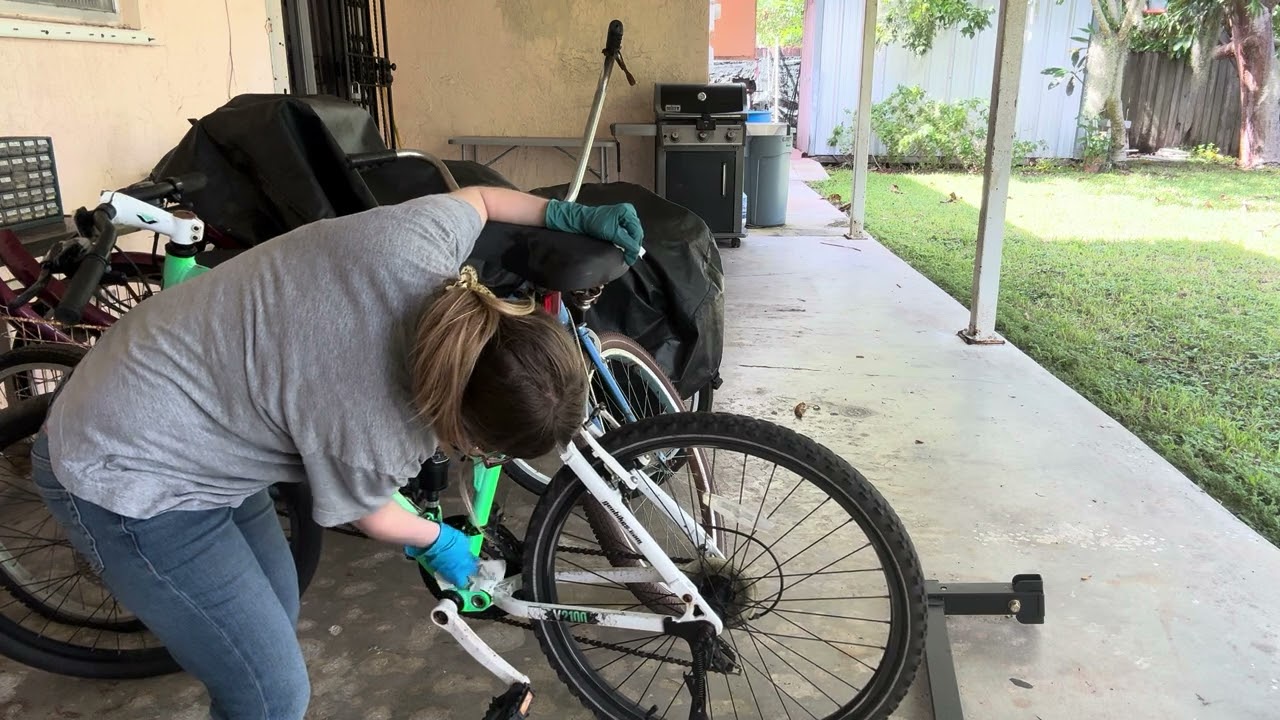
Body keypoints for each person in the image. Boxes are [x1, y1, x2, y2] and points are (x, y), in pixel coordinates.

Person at [29, 185, 644, 720]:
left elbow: (481, 201)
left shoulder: (421, 242)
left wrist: (565, 214)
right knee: (273, 698)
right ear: (468, 427)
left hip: (180, 398)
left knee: (277, 607)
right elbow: (372, 513)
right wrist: (439, 542)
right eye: (485, 449)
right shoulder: (379, 424)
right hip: (125, 468)